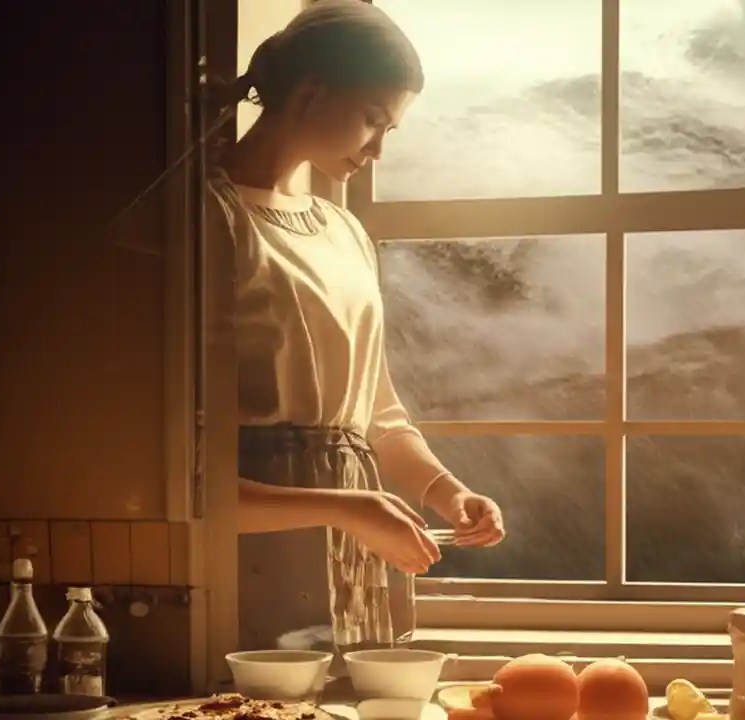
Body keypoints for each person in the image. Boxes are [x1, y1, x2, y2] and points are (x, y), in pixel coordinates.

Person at [205, 0, 506, 652]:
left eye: (388, 132)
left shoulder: (342, 230)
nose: (376, 150)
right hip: (255, 537)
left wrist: (448, 494)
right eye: (372, 121)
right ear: (310, 93)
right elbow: (183, 475)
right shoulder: (210, 220)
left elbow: (377, 414)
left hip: (354, 537)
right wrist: (347, 508)